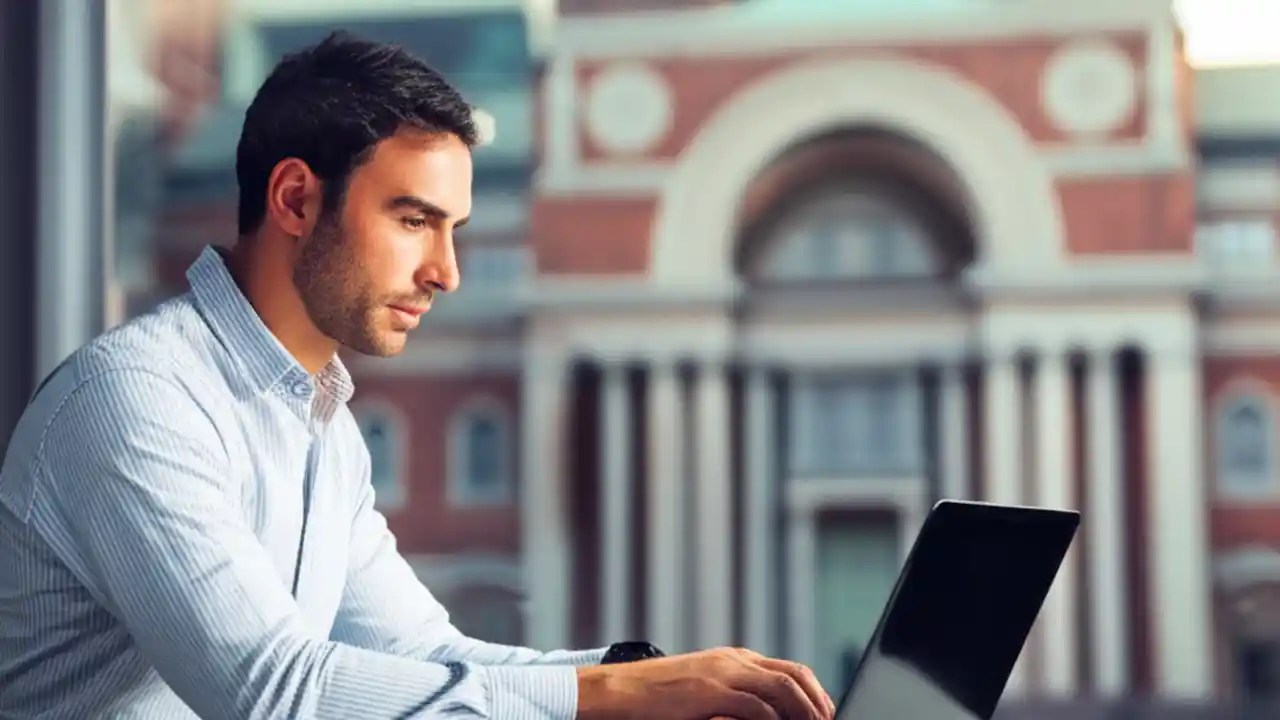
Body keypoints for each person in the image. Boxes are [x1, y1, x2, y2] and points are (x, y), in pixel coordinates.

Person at [0, 32, 835, 719]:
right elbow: (274, 692)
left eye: (456, 230)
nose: (447, 271)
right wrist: (608, 696)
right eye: (413, 222)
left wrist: (663, 679)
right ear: (295, 199)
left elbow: (425, 658)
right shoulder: (135, 400)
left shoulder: (320, 424)